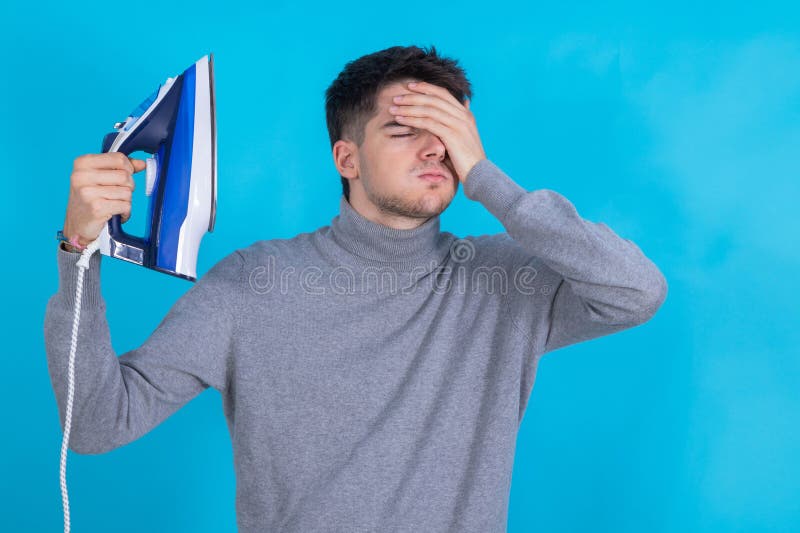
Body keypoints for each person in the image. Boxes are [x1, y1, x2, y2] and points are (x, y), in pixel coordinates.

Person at [45, 45, 668, 532]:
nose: (436, 150)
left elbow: (636, 291)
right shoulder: (253, 284)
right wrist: (79, 254)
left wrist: (487, 178)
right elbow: (98, 423)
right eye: (404, 131)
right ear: (347, 159)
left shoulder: (505, 280)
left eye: (448, 132)